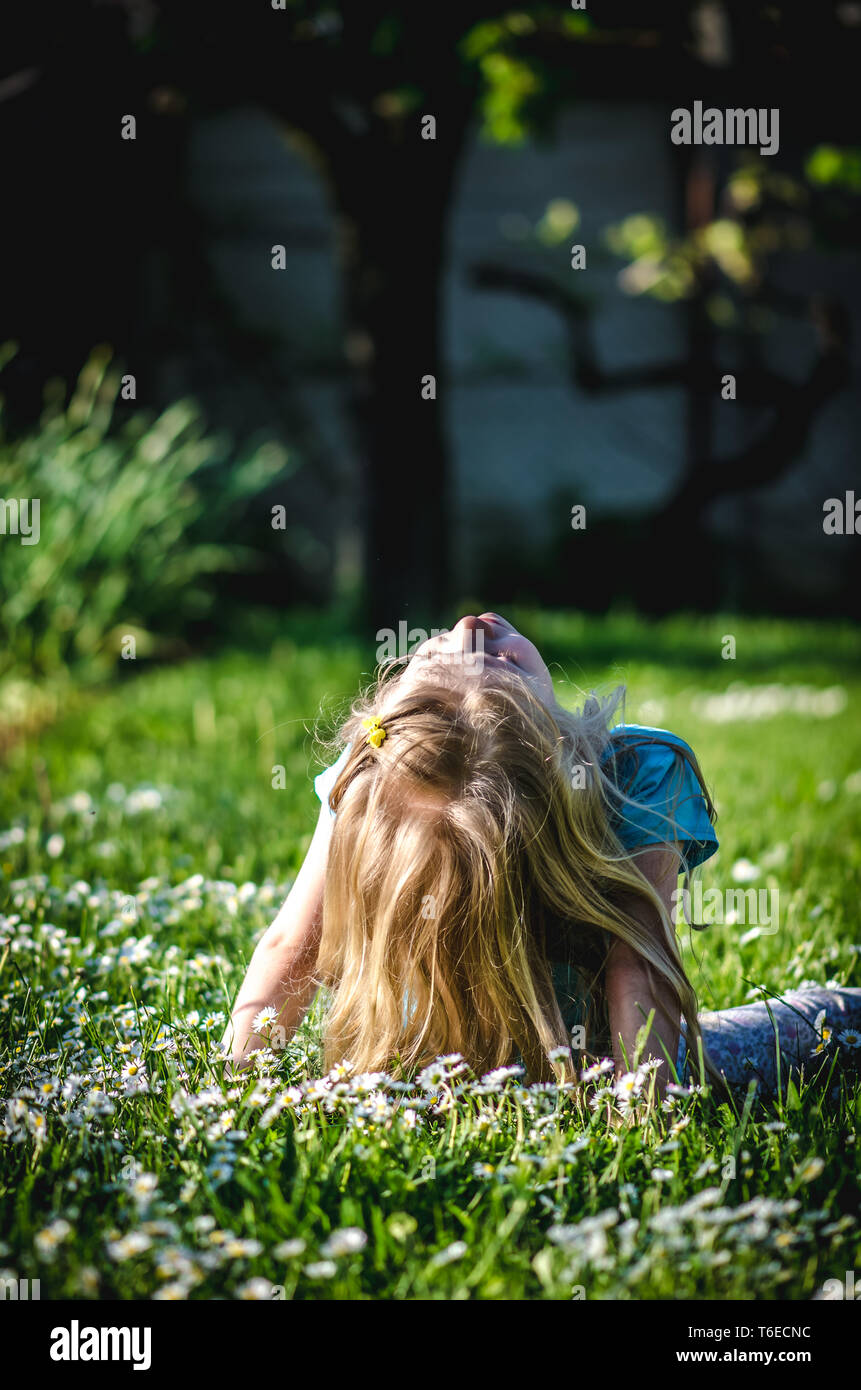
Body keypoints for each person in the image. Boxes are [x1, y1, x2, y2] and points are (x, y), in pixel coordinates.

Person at [223, 613, 861, 1097]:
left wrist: (236, 1085)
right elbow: (637, 969)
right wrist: (648, 1119)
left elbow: (292, 945)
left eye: (439, 653)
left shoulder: (371, 773)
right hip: (593, 1072)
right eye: (500, 663)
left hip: (414, 1079)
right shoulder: (635, 773)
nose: (470, 627)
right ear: (557, 744)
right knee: (835, 1018)